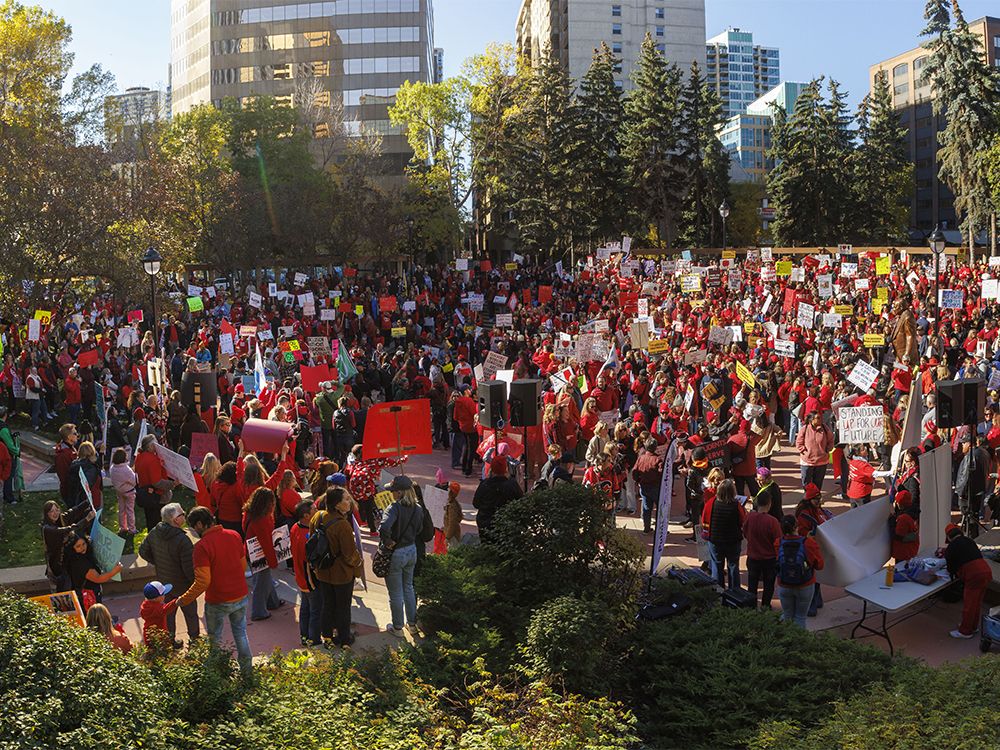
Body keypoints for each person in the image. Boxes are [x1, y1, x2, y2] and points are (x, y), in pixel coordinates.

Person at [175, 507, 252, 678]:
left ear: (200, 524)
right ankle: (247, 673)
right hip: (240, 594)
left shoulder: (202, 547)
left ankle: (217, 676)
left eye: (194, 527)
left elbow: (203, 581)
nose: (193, 531)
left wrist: (184, 599)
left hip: (218, 600)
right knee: (241, 633)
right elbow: (242, 566)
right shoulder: (234, 535)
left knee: (215, 638)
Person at [137, 503, 200, 645]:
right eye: (181, 514)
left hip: (164, 583)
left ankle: (170, 641)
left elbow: (142, 551)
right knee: (190, 614)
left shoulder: (154, 532)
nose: (184, 515)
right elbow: (189, 568)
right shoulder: (183, 540)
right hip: (184, 585)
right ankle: (195, 642)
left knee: (168, 614)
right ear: (175, 520)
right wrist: (195, 585)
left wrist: (157, 562)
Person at [378, 475, 432, 637]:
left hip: (397, 552)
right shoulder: (418, 508)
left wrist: (388, 541)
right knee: (409, 588)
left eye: (393, 491)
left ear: (400, 492)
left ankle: (397, 627)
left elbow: (384, 527)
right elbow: (420, 529)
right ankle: (412, 624)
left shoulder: (394, 508)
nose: (391, 493)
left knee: (395, 592)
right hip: (411, 550)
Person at [309, 487, 364, 648]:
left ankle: (327, 637)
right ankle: (345, 640)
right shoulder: (343, 525)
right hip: (342, 574)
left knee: (327, 604)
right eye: (346, 499)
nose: (350, 502)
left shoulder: (317, 517)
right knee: (343, 607)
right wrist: (359, 564)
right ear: (337, 505)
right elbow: (350, 554)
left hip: (323, 571)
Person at [943, 523, 994, 639]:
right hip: (985, 571)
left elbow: (951, 568)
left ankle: (965, 631)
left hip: (974, 575)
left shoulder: (952, 547)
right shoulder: (969, 541)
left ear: (948, 537)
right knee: (976, 603)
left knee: (969, 605)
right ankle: (973, 626)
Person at [775, 514, 824, 628]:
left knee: (787, 615)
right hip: (805, 584)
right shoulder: (808, 543)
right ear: (796, 527)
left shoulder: (778, 543)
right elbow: (819, 565)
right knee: (800, 617)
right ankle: (799, 643)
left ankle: (786, 642)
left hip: (784, 584)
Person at [242, 487, 283, 621]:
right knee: (261, 582)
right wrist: (273, 562)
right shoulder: (263, 519)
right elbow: (266, 542)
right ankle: (258, 611)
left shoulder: (249, 513)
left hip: (250, 551)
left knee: (263, 579)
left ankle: (273, 601)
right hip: (260, 555)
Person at [41, 499, 96, 592]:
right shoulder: (48, 529)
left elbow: (73, 512)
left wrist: (88, 501)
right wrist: (87, 519)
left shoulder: (59, 518)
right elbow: (68, 530)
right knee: (63, 592)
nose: (55, 513)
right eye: (51, 511)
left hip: (66, 563)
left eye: (56, 510)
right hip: (57, 568)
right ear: (46, 514)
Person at [704, 479, 747, 590]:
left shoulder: (711, 503)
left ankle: (719, 591)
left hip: (715, 540)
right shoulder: (736, 505)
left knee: (717, 566)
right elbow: (743, 521)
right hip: (733, 540)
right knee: (733, 566)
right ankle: (734, 592)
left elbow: (705, 519)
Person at [63, 532, 124, 610]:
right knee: (94, 618)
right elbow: (98, 578)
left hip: (83, 594)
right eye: (78, 546)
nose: (82, 548)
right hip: (88, 597)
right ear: (72, 548)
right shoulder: (81, 563)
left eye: (84, 544)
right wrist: (114, 571)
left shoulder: (74, 558)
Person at [290, 499, 322, 646]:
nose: (317, 511)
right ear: (306, 515)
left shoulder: (295, 528)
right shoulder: (307, 535)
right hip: (309, 579)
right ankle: (314, 639)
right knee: (315, 610)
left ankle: (304, 636)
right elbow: (308, 560)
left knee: (305, 608)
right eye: (314, 510)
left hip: (300, 577)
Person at [744, 492, 781, 609]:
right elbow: (778, 540)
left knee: (752, 584)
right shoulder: (772, 521)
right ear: (769, 504)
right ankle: (765, 606)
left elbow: (745, 532)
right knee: (769, 584)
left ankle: (751, 607)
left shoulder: (749, 517)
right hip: (769, 558)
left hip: (753, 556)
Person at [473, 455, 523, 541]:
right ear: (505, 469)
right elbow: (521, 503)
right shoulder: (512, 485)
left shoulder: (485, 484)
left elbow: (476, 503)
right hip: (506, 527)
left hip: (486, 525)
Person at [135, 435, 178, 532]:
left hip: (145, 493)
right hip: (155, 496)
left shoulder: (139, 457)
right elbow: (156, 482)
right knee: (157, 522)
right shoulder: (152, 459)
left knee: (150, 520)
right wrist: (172, 484)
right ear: (150, 447)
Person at [632, 438, 664, 535]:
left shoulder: (641, 458)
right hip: (655, 487)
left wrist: (638, 481)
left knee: (646, 508)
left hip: (644, 486)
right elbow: (661, 473)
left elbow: (634, 471)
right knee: (660, 508)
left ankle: (646, 528)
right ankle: (660, 529)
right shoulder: (658, 459)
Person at [795, 410, 834, 488]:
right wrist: (805, 452)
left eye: (820, 418)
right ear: (811, 420)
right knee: (806, 483)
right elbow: (799, 443)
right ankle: (808, 498)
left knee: (818, 484)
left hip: (821, 461)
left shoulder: (825, 428)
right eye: (818, 418)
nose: (820, 419)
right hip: (807, 462)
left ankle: (816, 498)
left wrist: (827, 450)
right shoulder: (804, 429)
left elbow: (831, 440)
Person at [108, 448, 138, 549]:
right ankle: (132, 528)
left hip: (119, 491)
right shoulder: (126, 469)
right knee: (130, 510)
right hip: (129, 492)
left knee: (121, 510)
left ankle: (122, 527)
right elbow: (134, 480)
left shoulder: (112, 468)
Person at [140, 580, 180, 651]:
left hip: (148, 633)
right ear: (156, 598)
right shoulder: (157, 608)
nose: (164, 596)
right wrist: (176, 602)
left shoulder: (145, 605)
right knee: (161, 652)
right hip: (159, 634)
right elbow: (166, 609)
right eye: (163, 594)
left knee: (151, 651)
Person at [889, 490, 919, 564]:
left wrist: (892, 523)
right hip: (911, 549)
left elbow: (898, 536)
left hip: (903, 552)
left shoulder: (903, 518)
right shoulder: (914, 512)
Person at [54, 423, 79, 504]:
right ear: (69, 437)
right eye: (74, 433)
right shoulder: (63, 455)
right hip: (70, 491)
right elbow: (64, 476)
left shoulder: (70, 448)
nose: (77, 435)